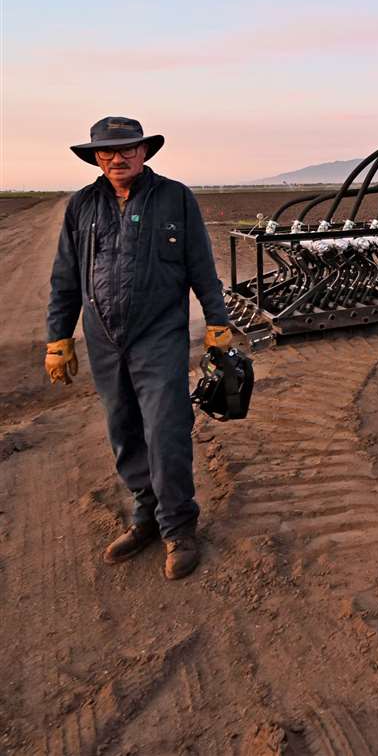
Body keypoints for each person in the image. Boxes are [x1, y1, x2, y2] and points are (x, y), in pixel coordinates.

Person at [45, 116, 232, 580]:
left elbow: (201, 265)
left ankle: (179, 528)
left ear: (144, 151)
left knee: (166, 430)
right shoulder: (82, 205)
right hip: (104, 339)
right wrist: (58, 338)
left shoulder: (175, 198)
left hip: (159, 335)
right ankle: (146, 515)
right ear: (95, 157)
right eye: (107, 151)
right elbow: (66, 277)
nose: (118, 158)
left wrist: (217, 321)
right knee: (124, 429)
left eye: (128, 148)